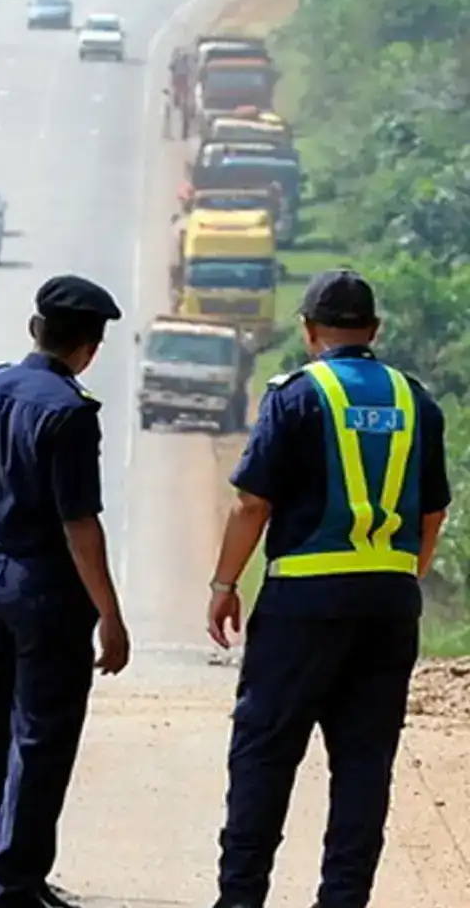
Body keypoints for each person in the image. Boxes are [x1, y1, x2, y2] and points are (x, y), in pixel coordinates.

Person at [205, 269, 450, 908]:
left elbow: (252, 504)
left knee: (264, 750)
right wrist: (402, 579)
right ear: (374, 330)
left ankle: (240, 898)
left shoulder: (294, 396)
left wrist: (224, 583)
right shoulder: (417, 401)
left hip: (303, 608)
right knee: (365, 763)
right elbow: (432, 516)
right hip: (389, 605)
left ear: (310, 331)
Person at [0, 275, 132, 908]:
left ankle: (16, 867)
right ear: (90, 348)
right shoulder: (70, 413)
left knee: (5, 728)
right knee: (43, 736)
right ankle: (15, 881)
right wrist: (110, 613)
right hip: (46, 585)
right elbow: (79, 524)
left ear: (34, 331)